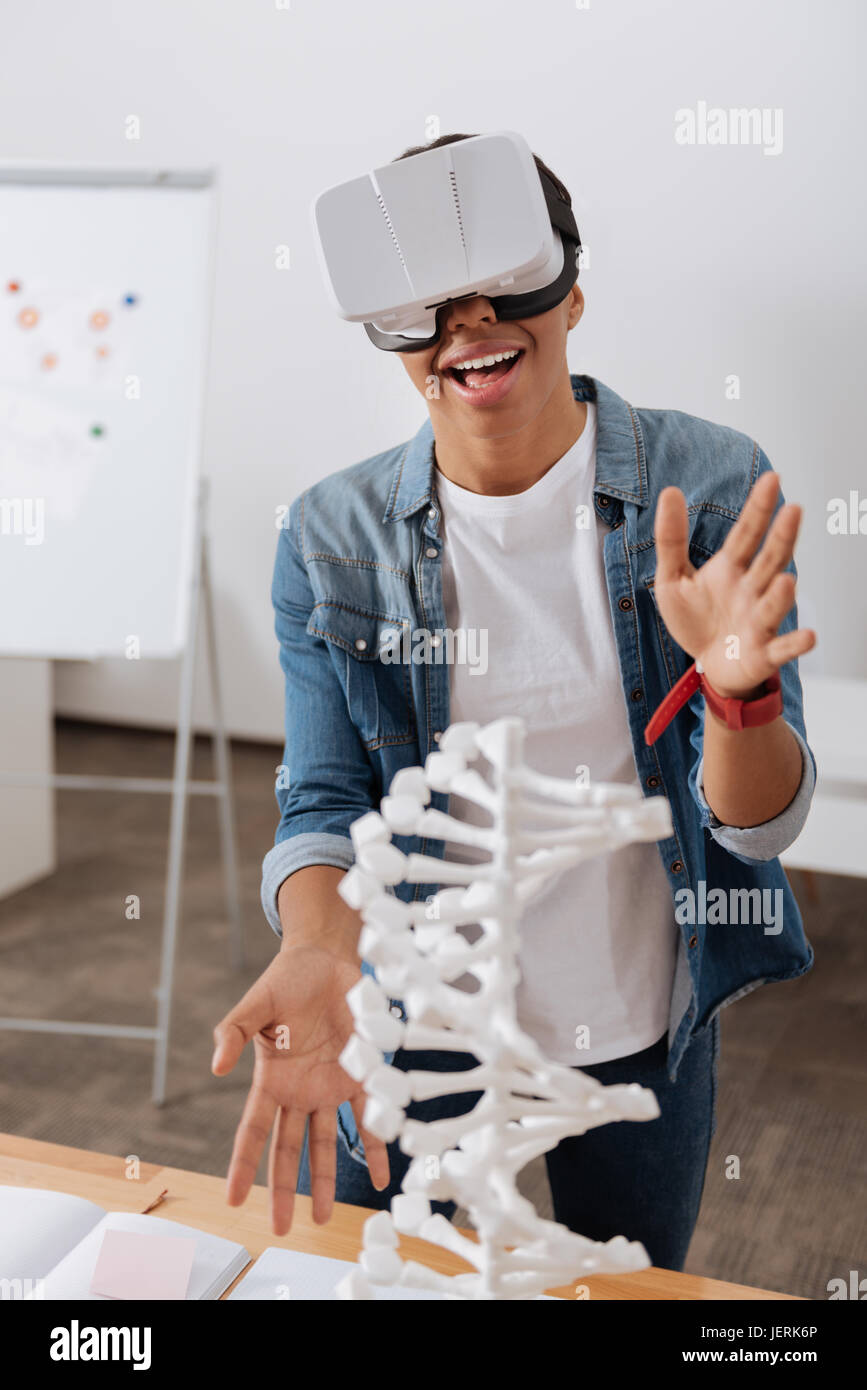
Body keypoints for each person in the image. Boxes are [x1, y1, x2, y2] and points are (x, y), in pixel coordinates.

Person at [212, 133, 816, 1271]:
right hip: (413, 1030)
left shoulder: (711, 485)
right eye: (427, 307)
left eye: (503, 281)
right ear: (389, 337)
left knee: (624, 1291)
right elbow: (329, 799)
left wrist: (740, 699)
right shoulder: (330, 539)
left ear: (573, 291)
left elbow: (761, 827)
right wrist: (311, 948)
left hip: (644, 1032)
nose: (469, 323)